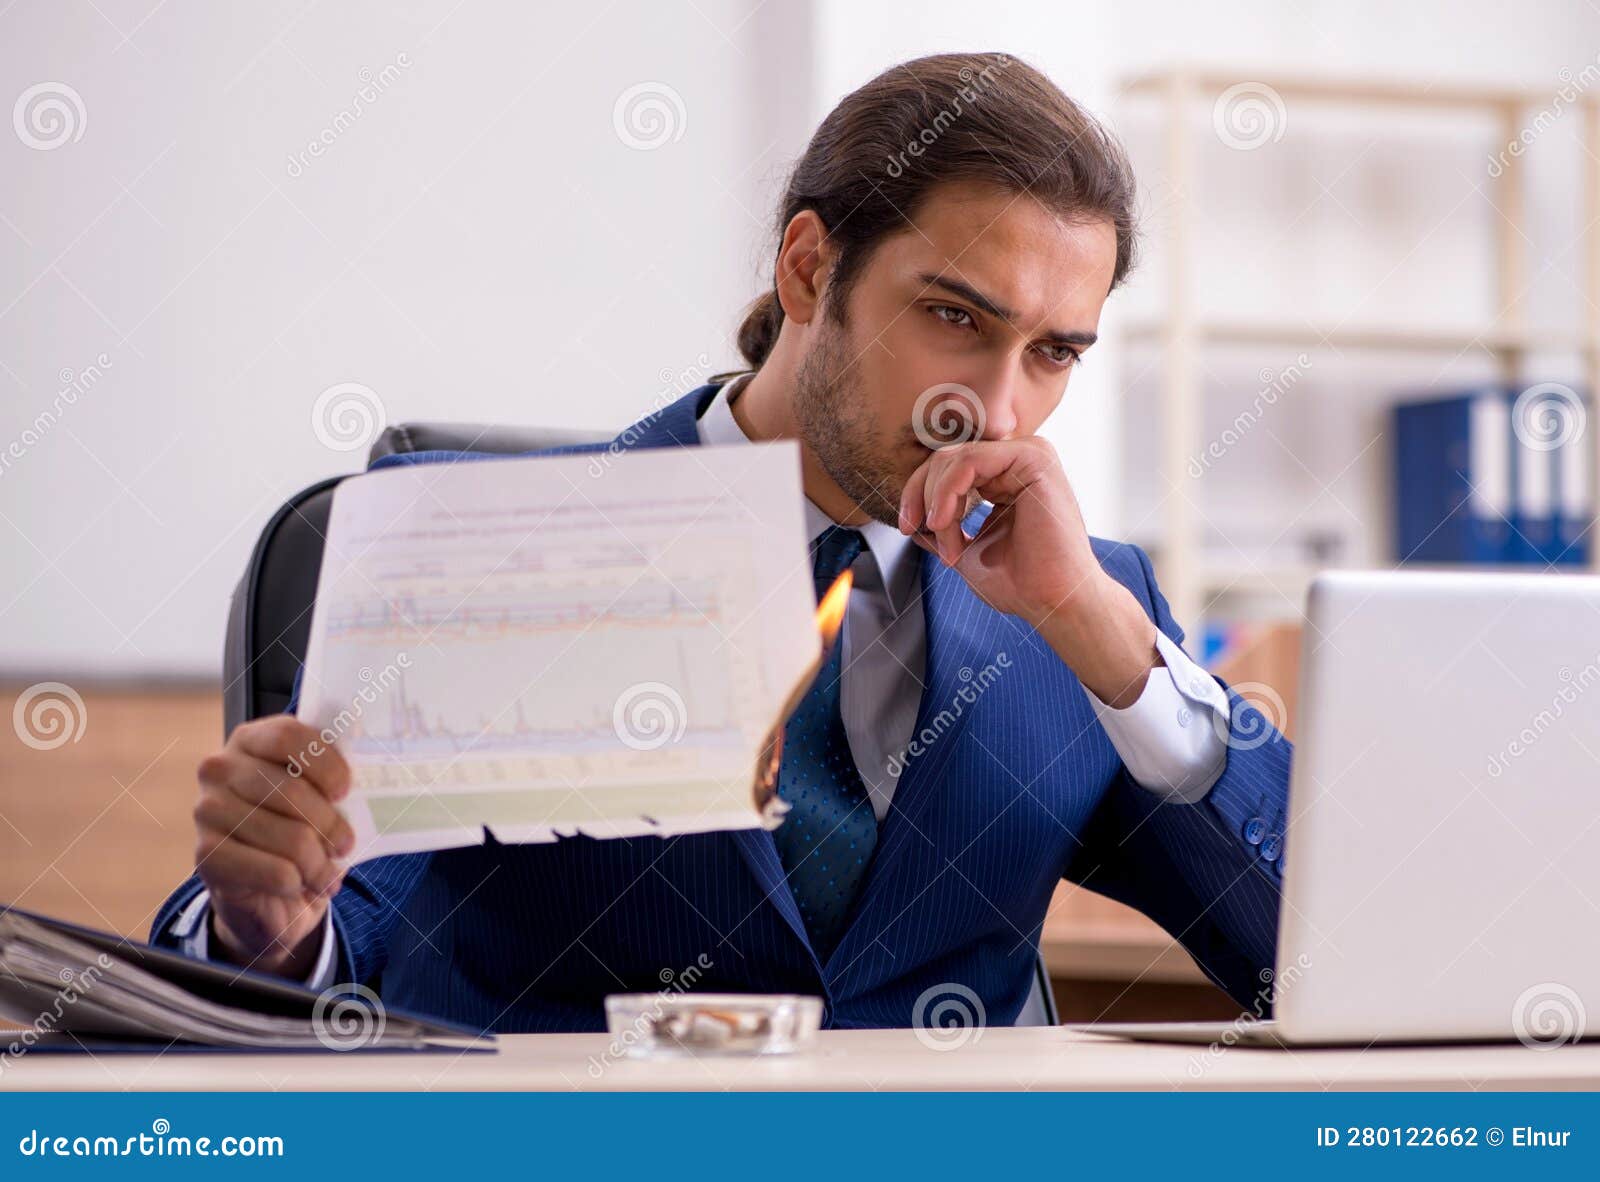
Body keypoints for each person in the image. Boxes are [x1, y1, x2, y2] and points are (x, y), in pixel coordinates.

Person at [152, 51, 1291, 1032]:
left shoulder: (1087, 606)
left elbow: (1300, 958)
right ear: (809, 270)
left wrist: (1102, 635)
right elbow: (331, 939)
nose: (994, 410)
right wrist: (266, 930)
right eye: (955, 316)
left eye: (1053, 354)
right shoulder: (479, 546)